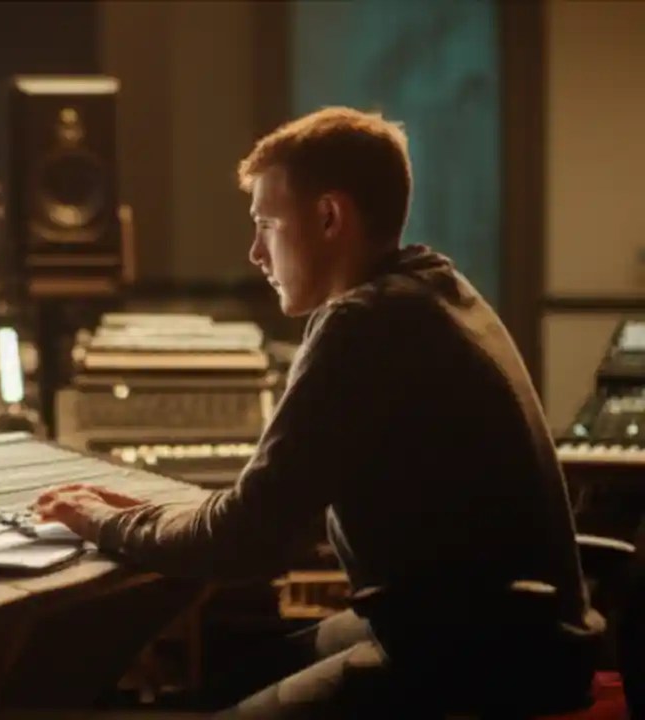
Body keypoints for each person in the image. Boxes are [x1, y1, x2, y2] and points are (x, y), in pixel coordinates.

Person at [35, 107, 602, 718]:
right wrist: (149, 515)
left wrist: (103, 523)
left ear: (329, 217)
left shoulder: (362, 323)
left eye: (266, 224)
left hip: (476, 656)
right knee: (224, 684)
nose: (255, 252)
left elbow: (248, 540)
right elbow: (271, 507)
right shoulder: (431, 287)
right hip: (501, 631)